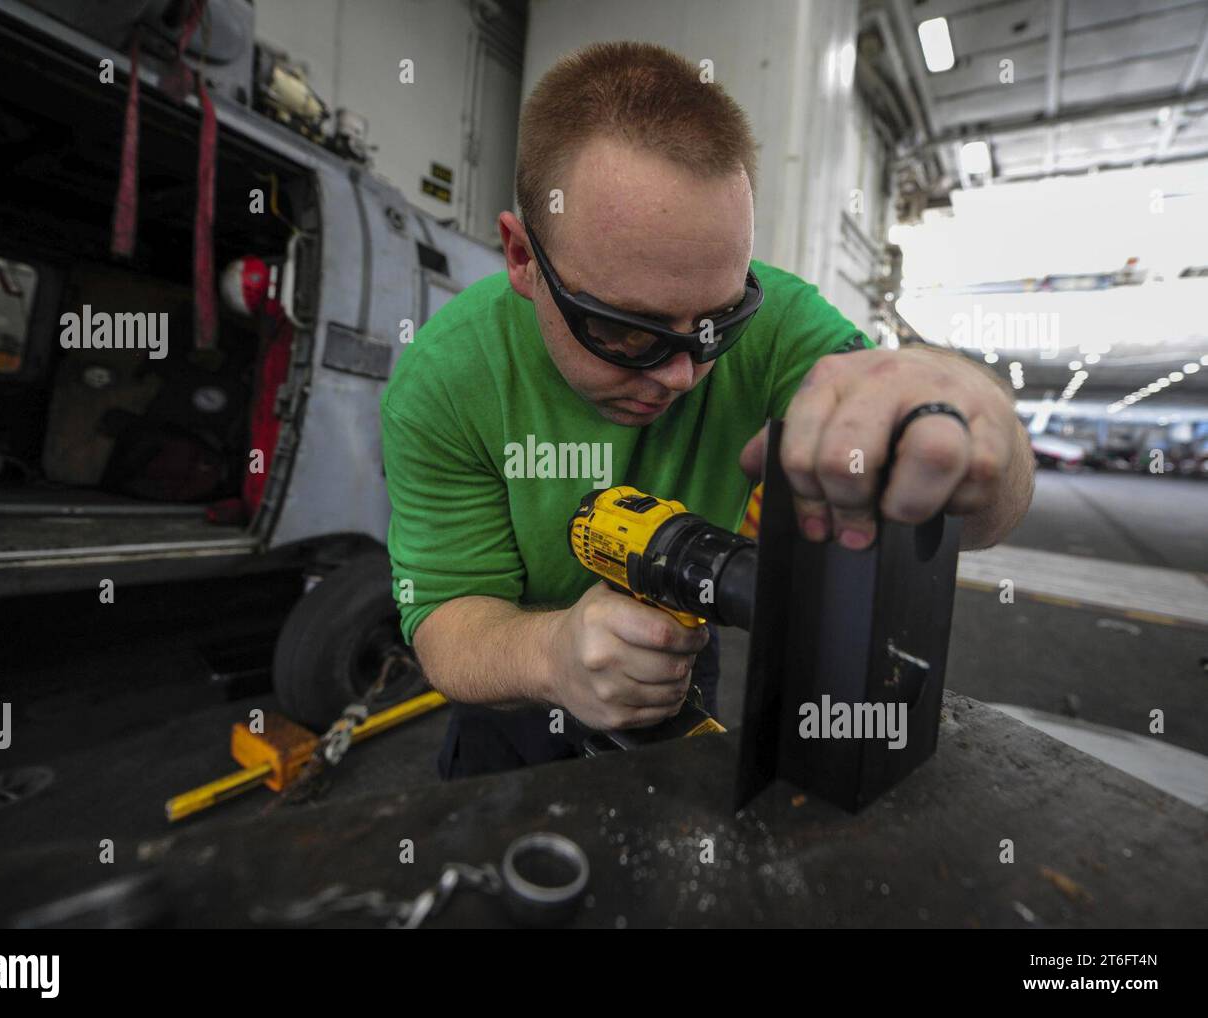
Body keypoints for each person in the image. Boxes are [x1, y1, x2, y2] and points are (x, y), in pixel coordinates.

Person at [380, 41, 1033, 780]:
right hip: (518, 682)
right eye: (626, 330)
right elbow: (446, 621)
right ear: (523, 257)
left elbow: (974, 510)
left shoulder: (783, 322)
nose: (684, 373)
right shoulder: (445, 380)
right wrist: (551, 655)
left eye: (720, 323)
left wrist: (982, 435)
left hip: (681, 647)